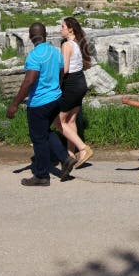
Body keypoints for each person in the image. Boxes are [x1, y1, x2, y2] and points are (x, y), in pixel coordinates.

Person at [6, 22, 76, 186]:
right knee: (46, 132)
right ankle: (65, 158)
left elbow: (29, 81)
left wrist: (15, 104)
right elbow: (61, 73)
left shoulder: (34, 55)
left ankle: (42, 175)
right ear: (45, 35)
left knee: (39, 140)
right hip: (56, 99)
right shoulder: (55, 51)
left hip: (39, 103)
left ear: (30, 37)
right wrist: (54, 89)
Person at [55, 16, 94, 168]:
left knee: (58, 121)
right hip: (80, 83)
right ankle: (70, 155)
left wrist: (55, 80)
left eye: (62, 26)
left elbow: (64, 69)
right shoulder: (78, 42)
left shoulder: (67, 45)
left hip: (71, 85)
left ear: (70, 29)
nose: (60, 29)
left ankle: (83, 149)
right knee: (71, 121)